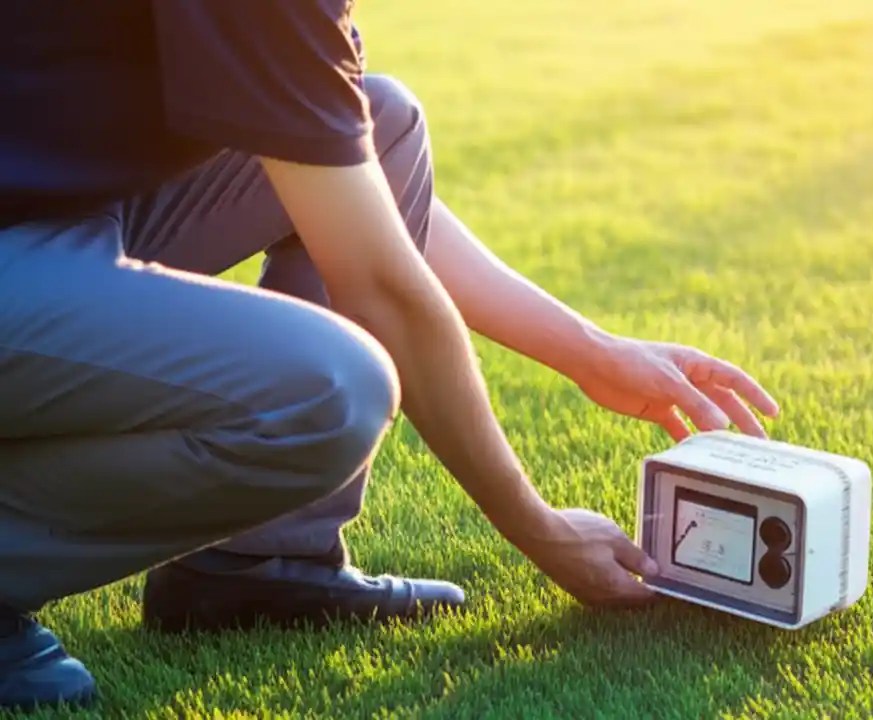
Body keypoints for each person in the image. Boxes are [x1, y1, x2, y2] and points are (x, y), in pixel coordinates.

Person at [0, 1, 780, 711]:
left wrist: (592, 352)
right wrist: (539, 528)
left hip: (42, 218)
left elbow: (350, 192)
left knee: (385, 124)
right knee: (331, 390)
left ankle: (262, 568)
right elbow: (380, 283)